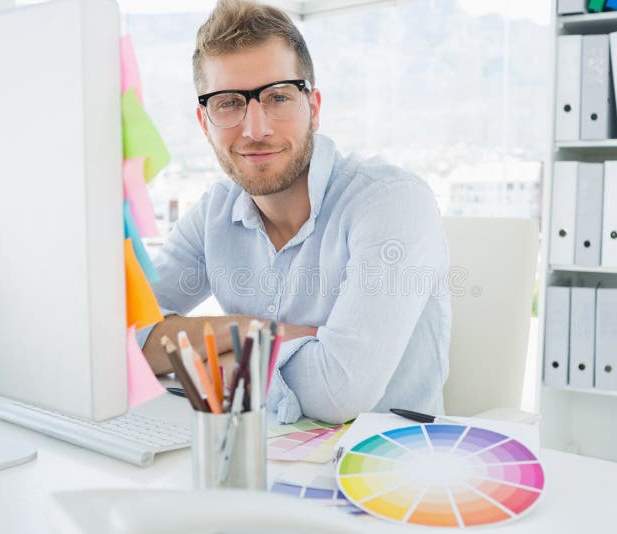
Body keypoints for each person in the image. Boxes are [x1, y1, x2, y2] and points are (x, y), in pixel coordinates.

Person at [140, 0, 450, 424]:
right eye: (228, 103)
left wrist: (207, 361)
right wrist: (249, 331)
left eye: (278, 97)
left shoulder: (392, 202)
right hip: (255, 446)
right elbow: (123, 335)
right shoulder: (214, 212)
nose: (256, 129)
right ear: (204, 122)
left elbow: (339, 393)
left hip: (385, 457)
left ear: (314, 108)